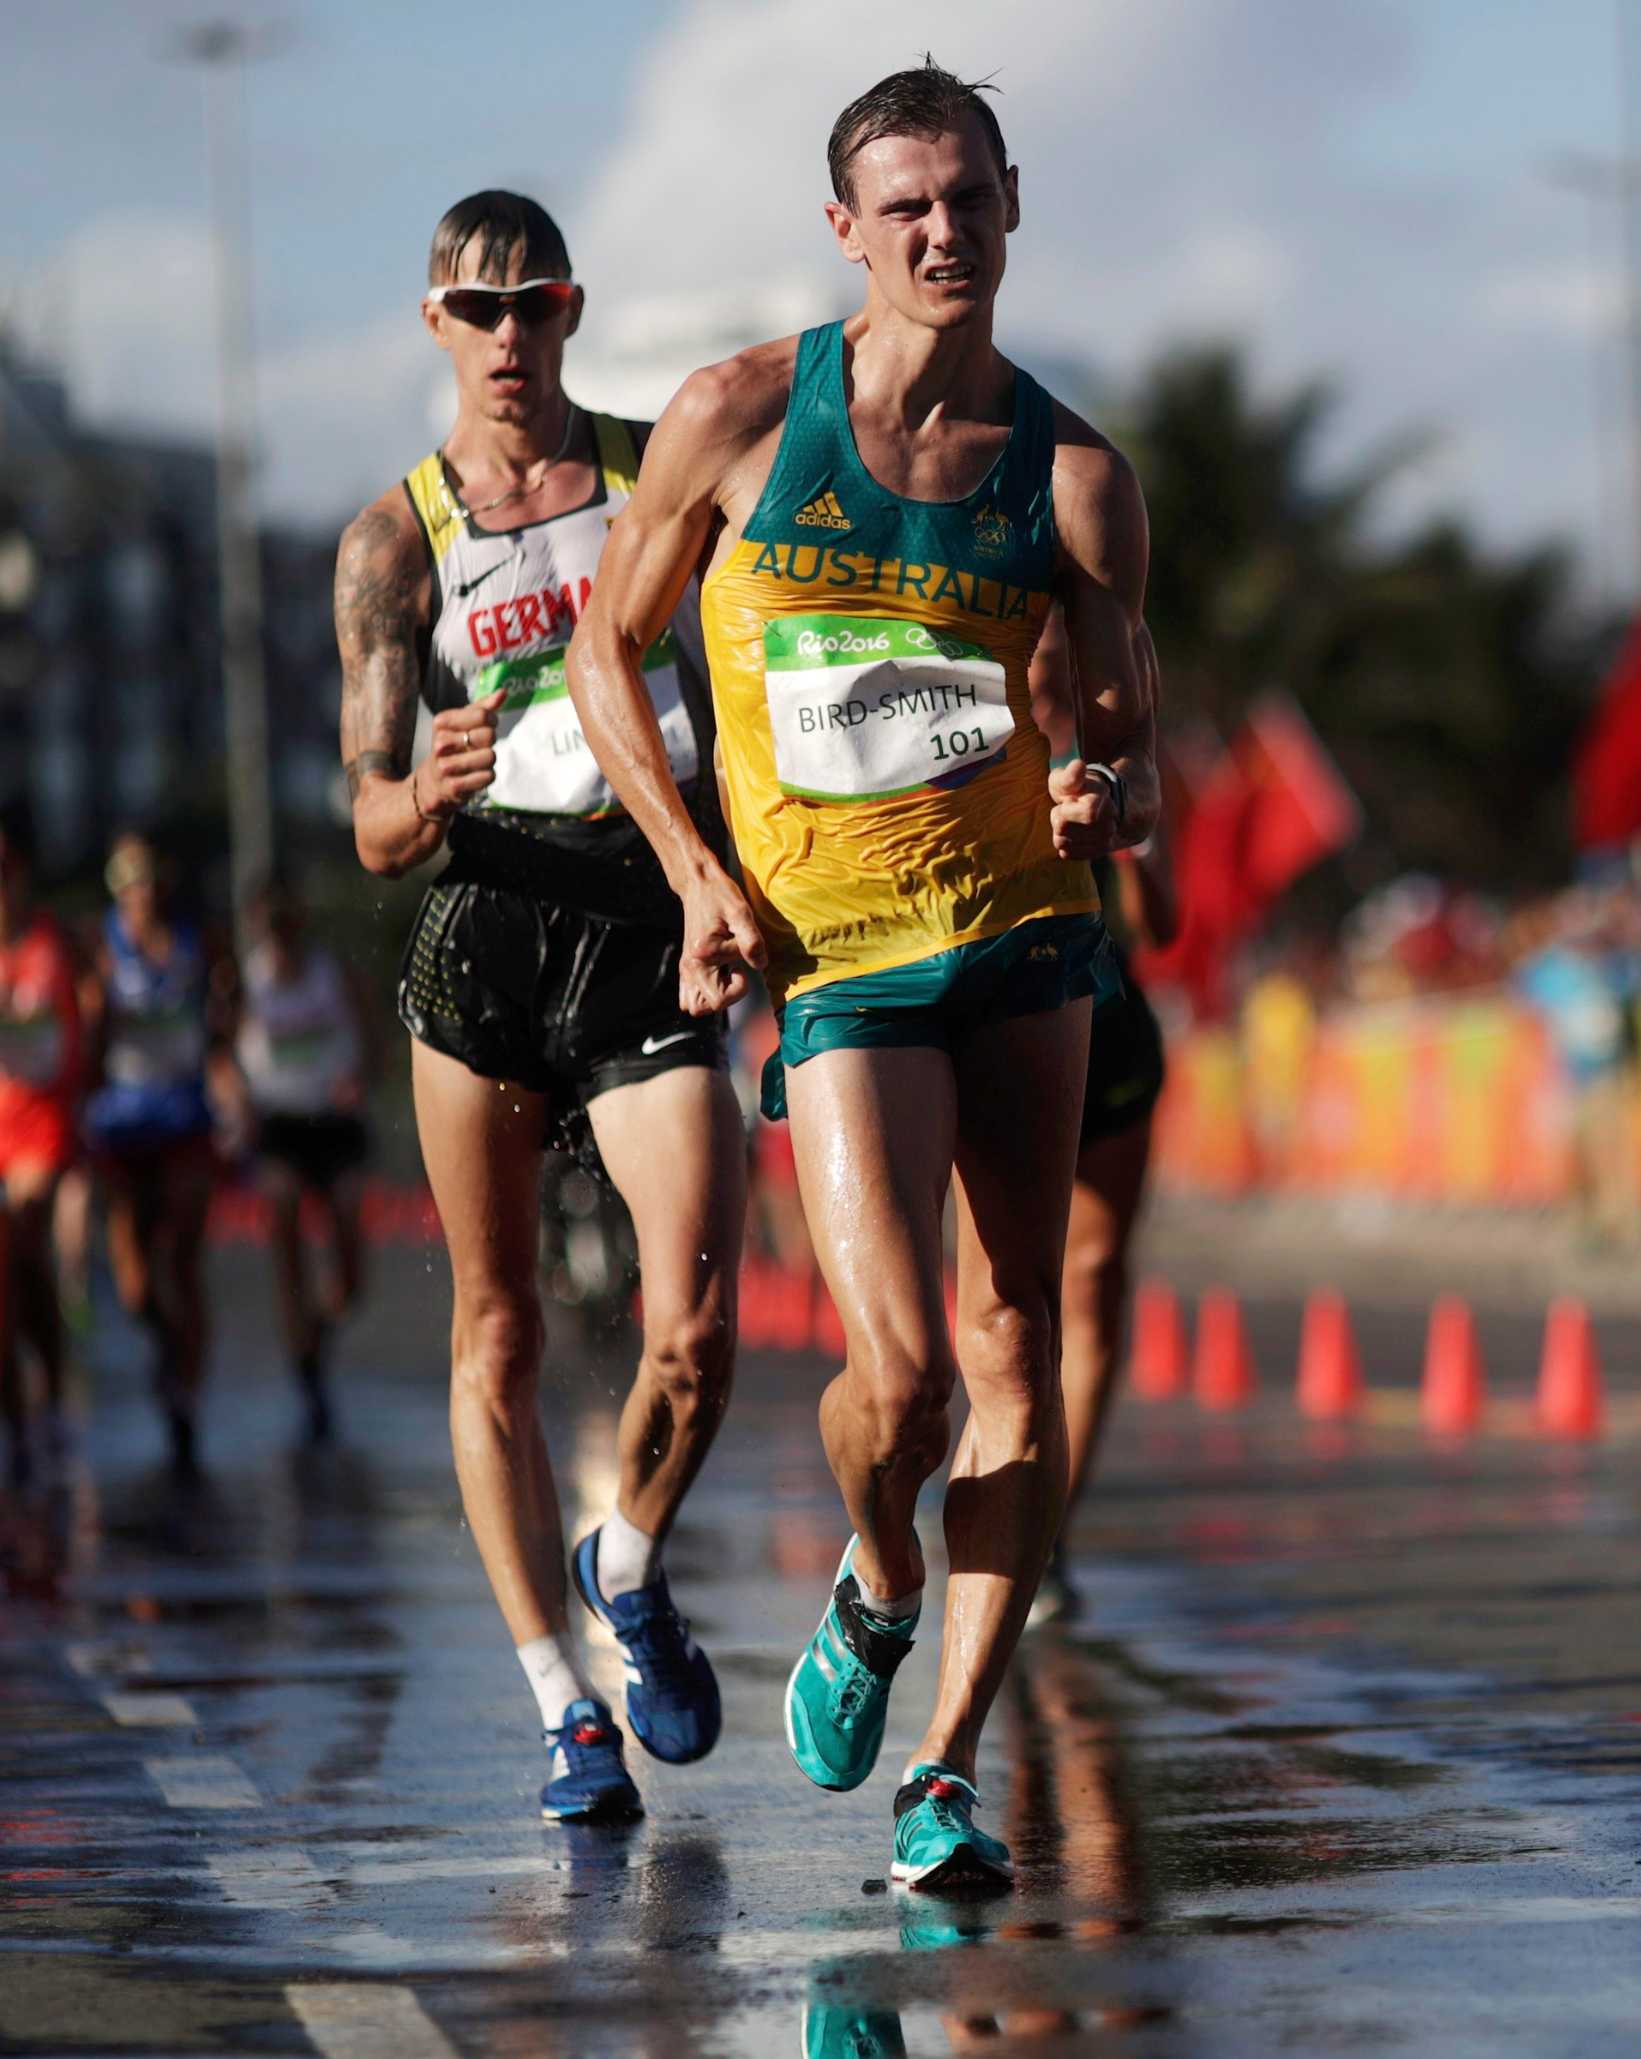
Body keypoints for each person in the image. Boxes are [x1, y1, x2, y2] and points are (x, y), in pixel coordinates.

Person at [561, 63, 1157, 1893]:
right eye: (906, 206)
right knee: (894, 1382)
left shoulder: (1074, 479)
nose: (943, 232)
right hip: (833, 954)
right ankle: (880, 1566)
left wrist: (1106, 781)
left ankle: (947, 1772)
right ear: (847, 231)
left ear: (1012, 203)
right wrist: (687, 864)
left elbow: (1137, 742)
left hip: (1026, 930)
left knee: (1013, 1347)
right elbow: (606, 649)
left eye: (969, 196)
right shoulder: (740, 417)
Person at [332, 190, 741, 1824]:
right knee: (494, 1326)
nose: (512, 337)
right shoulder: (395, 539)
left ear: (573, 310)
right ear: (435, 320)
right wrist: (407, 792)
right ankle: (562, 1696)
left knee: (695, 1321)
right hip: (488, 919)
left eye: (538, 303)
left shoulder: (666, 472)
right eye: (479, 307)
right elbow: (361, 820)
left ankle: (625, 1563)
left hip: (647, 908)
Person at [1034, 619, 1180, 1630]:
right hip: (1002, 1026)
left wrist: (1129, 836)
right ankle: (1001, 1504)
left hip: (1112, 1035)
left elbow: (1166, 926)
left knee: (1091, 1284)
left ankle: (1048, 1534)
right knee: (1011, 1300)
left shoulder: (1121, 746)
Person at [82, 834, 234, 1479]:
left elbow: (227, 1018)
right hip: (121, 1123)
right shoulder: (100, 950)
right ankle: (166, 1349)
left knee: (182, 1253)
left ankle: (186, 1397)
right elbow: (86, 1037)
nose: (143, 894)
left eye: (152, 881)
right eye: (131, 883)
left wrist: (230, 1079)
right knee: (136, 1284)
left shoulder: (199, 942)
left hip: (184, 1117)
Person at [236, 873, 381, 1442]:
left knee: (349, 1266)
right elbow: (221, 1046)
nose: (279, 936)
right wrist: (233, 1095)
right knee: (284, 1219)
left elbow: (373, 1038)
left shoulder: (333, 973)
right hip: (280, 1123)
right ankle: (302, 1355)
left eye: (286, 923)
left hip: (334, 1121)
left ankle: (322, 1322)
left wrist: (362, 1075)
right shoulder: (244, 981)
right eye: (269, 926)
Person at [0, 812, 87, 1485]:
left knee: (25, 1249)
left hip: (42, 1128)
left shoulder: (50, 948)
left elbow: (77, 1033)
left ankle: (49, 1399)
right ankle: (19, 1413)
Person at [1518, 883, 1641, 1248]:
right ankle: (1583, 1222)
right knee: (1575, 1156)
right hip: (1566, 1077)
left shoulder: (1610, 967)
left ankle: (1621, 1224)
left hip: (1608, 1073)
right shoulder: (1548, 969)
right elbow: (1522, 1002)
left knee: (1616, 1154)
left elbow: (1632, 1002)